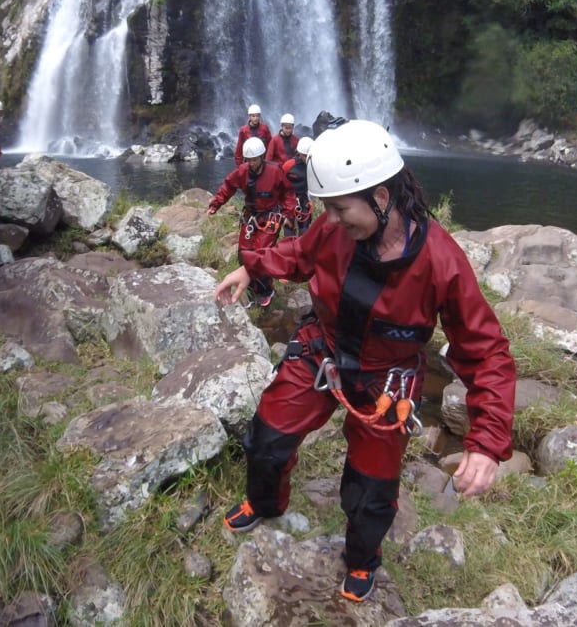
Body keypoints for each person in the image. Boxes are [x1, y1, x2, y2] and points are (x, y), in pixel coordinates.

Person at [213, 119, 515, 603]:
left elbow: (487, 352)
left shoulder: (441, 261)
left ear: (380, 195)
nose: (329, 220)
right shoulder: (336, 232)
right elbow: (297, 253)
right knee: (267, 438)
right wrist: (250, 267)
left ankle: (361, 560)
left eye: (337, 209)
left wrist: (486, 442)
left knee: (371, 489)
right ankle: (265, 503)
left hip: (386, 380)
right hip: (323, 351)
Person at [207, 136, 296, 308]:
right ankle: (250, 290)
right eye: (249, 160)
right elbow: (228, 187)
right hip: (250, 217)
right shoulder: (242, 171)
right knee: (244, 254)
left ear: (262, 157)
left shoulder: (275, 171)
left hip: (270, 217)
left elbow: (288, 193)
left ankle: (266, 291)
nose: (252, 163)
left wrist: (288, 214)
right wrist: (215, 204)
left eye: (254, 160)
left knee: (260, 255)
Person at [281, 136, 314, 237]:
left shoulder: (313, 165)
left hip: (304, 200)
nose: (307, 158)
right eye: (305, 155)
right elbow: (279, 183)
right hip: (288, 201)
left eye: (309, 155)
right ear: (299, 153)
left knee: (304, 233)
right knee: (289, 233)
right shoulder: (289, 165)